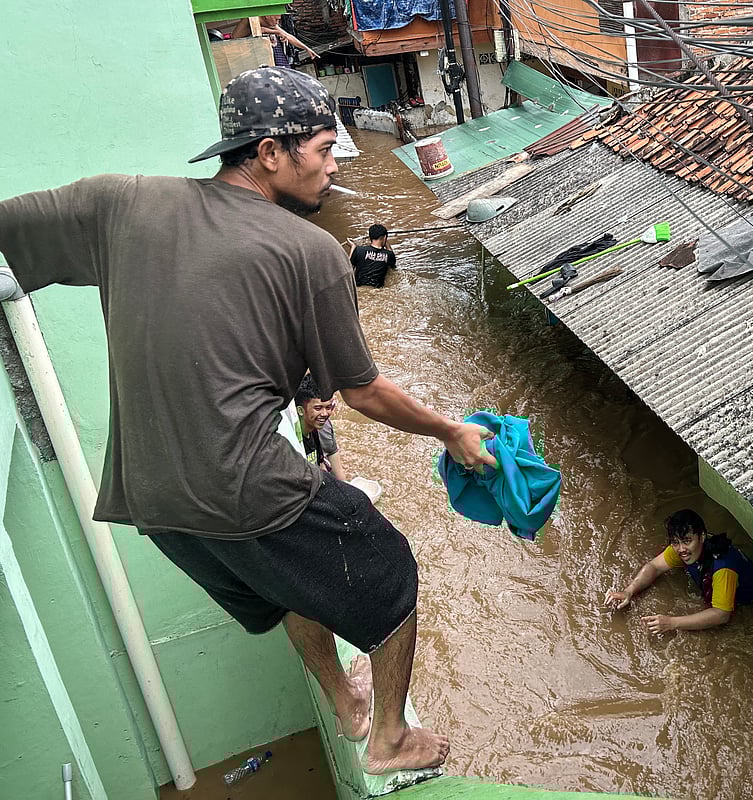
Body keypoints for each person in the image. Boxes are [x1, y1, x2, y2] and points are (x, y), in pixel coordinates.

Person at [0, 67, 496, 774]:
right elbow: (362, 391)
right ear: (269, 151)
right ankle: (388, 736)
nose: (334, 166)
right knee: (391, 574)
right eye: (324, 149)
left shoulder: (123, 202)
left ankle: (343, 700)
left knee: (292, 583)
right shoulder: (313, 253)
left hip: (149, 504)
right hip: (242, 488)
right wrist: (450, 430)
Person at [605, 509, 753, 633]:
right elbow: (654, 567)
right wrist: (629, 591)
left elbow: (721, 615)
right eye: (675, 542)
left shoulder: (723, 569)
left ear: (702, 537)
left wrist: (671, 623)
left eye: (687, 541)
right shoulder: (683, 548)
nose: (681, 549)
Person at [295, 374, 348, 481]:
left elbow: (321, 463)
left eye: (328, 407)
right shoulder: (292, 439)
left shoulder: (318, 428)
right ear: (300, 410)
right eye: (318, 408)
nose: (324, 414)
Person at [350, 224, 397, 288]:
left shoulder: (359, 250)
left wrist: (353, 247)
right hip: (377, 290)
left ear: (370, 237)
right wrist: (386, 243)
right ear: (385, 237)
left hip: (359, 288)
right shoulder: (389, 255)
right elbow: (393, 266)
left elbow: (348, 268)